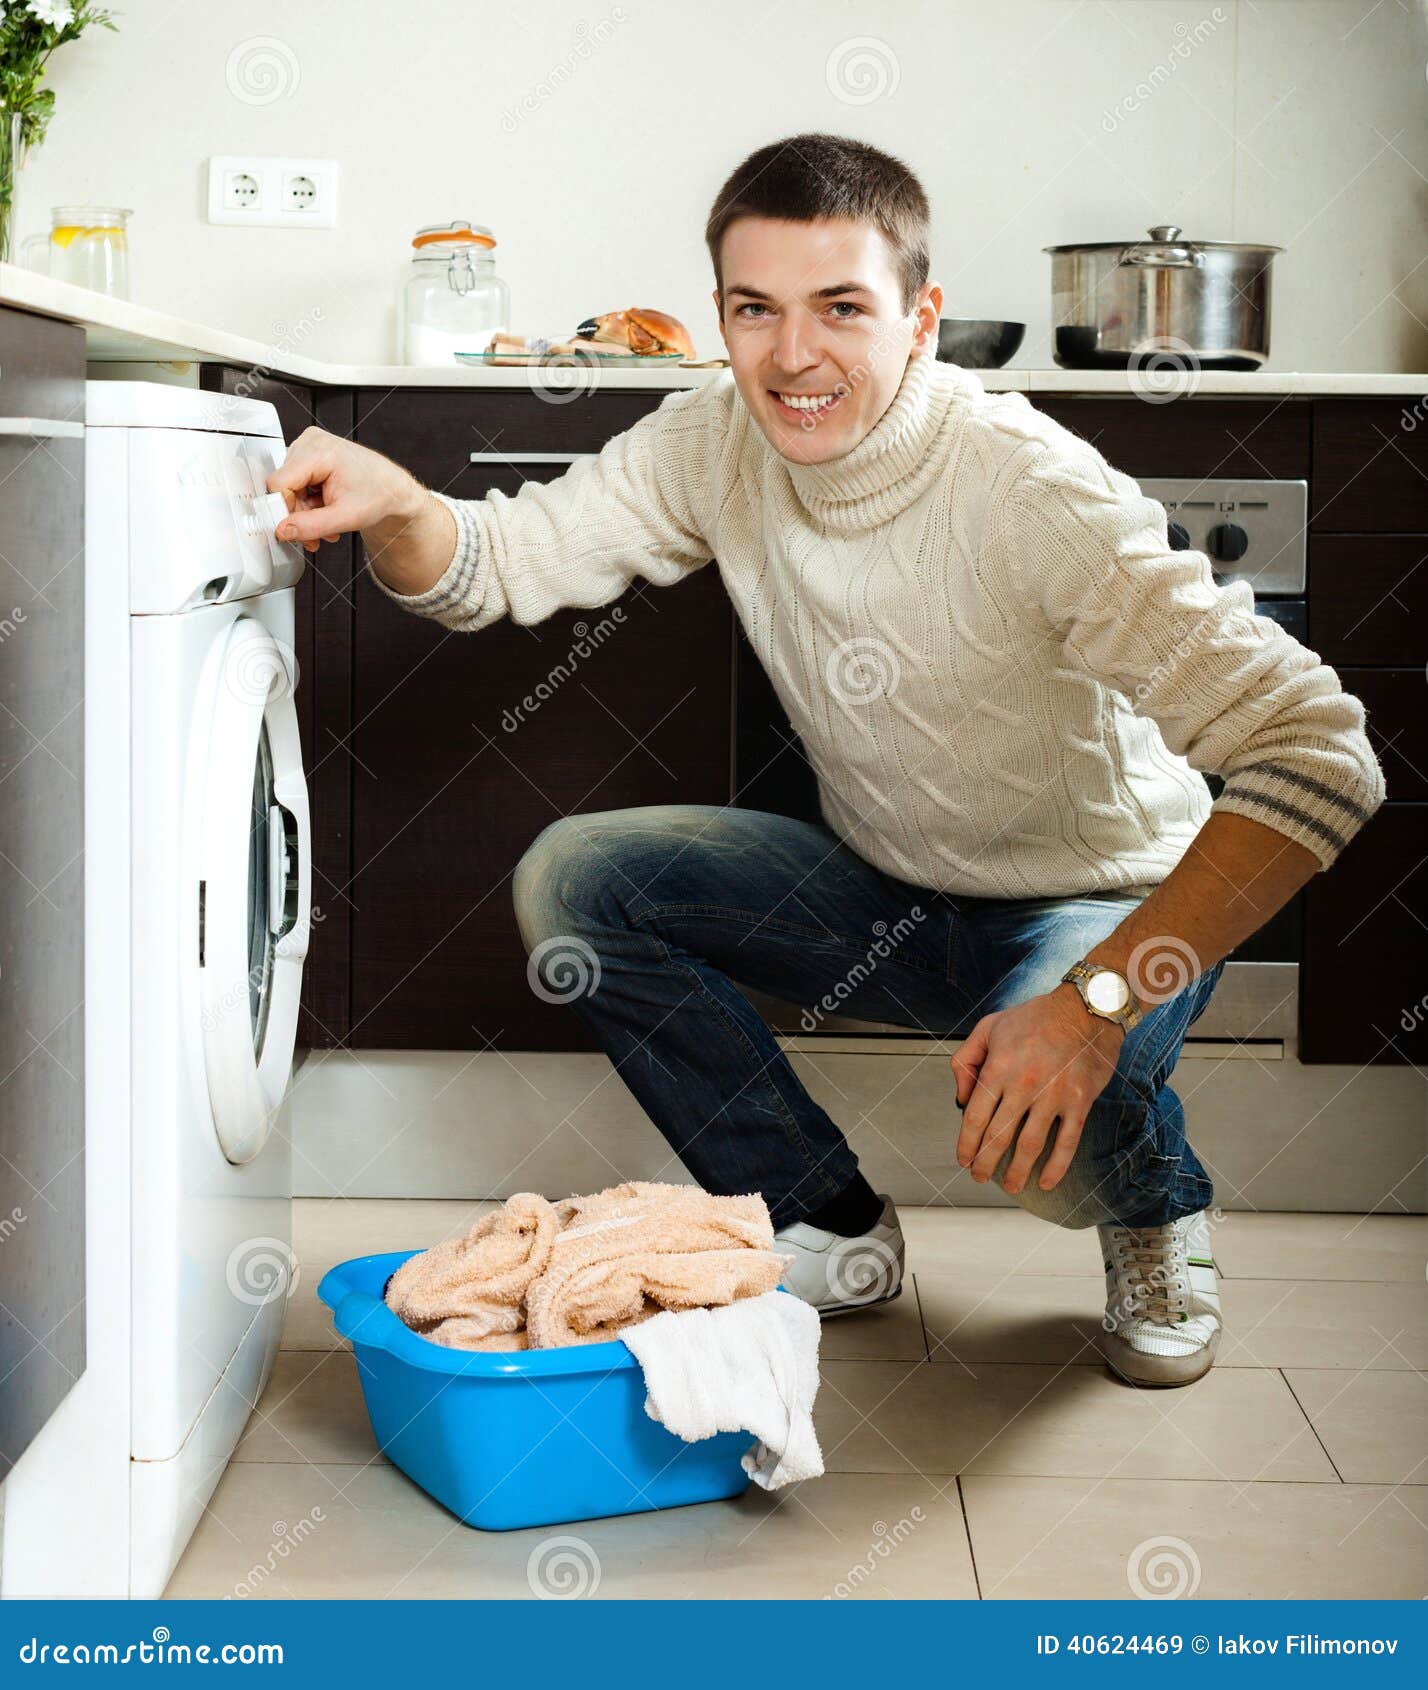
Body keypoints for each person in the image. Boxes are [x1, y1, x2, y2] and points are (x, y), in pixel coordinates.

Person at [269, 133, 1385, 1389]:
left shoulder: (1029, 491)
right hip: (888, 891)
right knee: (578, 882)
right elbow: (495, 569)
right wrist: (405, 503)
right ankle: (831, 1225)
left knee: (1054, 1139)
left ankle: (1157, 1205)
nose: (792, 357)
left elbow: (1323, 757)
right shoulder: (715, 440)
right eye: (757, 310)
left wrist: (1091, 1008)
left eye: (840, 308)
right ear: (724, 317)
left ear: (922, 318)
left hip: (1100, 903)